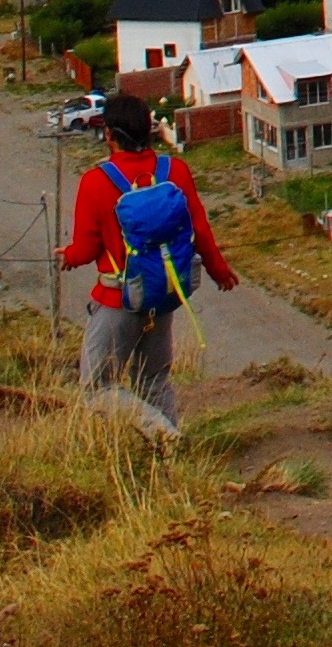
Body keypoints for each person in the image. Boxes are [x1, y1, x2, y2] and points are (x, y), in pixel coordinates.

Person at [58, 94, 236, 428]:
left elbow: (84, 250)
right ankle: (171, 452)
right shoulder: (175, 172)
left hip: (118, 299)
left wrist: (67, 257)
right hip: (164, 291)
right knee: (153, 381)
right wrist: (220, 272)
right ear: (149, 128)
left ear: (109, 134)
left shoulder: (96, 182)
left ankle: (160, 435)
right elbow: (199, 230)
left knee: (97, 388)